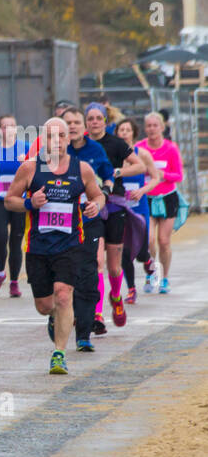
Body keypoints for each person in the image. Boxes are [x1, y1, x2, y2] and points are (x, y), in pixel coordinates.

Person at [3, 117, 105, 375]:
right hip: (38, 247)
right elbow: (9, 200)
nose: (56, 141)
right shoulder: (30, 168)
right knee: (45, 305)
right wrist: (29, 203)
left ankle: (59, 353)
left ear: (68, 139)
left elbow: (99, 196)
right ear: (43, 140)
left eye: (60, 135)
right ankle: (53, 317)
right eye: (50, 136)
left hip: (70, 244)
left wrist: (96, 206)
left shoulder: (81, 169)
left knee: (63, 293)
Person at [84, 102, 159, 326]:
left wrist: (117, 171)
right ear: (86, 121)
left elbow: (139, 167)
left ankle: (116, 297)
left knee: (114, 266)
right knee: (97, 260)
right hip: (91, 208)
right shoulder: (80, 145)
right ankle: (97, 313)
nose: (95, 122)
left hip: (115, 206)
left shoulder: (116, 143)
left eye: (99, 118)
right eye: (91, 118)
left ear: (105, 121)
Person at [60, 105, 112, 350]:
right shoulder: (49, 155)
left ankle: (84, 333)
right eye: (67, 123)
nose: (72, 127)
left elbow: (108, 176)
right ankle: (55, 315)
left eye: (76, 122)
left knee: (88, 277)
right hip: (58, 225)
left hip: (88, 221)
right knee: (60, 277)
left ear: (84, 127)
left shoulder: (95, 150)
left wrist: (103, 195)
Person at [136, 112, 184, 294]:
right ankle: (151, 272)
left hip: (167, 198)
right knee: (148, 240)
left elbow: (178, 175)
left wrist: (162, 175)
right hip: (146, 198)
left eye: (155, 125)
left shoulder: (171, 148)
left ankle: (164, 278)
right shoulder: (139, 148)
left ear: (162, 127)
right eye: (148, 125)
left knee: (164, 241)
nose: (151, 129)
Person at [113, 117, 155, 302]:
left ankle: (147, 260)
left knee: (141, 250)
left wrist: (142, 190)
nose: (123, 133)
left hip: (139, 207)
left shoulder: (142, 154)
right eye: (121, 130)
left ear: (133, 133)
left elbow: (155, 178)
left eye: (127, 130)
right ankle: (131, 289)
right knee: (125, 251)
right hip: (121, 209)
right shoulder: (113, 155)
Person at [0, 114, 29, 298]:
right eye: (4, 127)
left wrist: (26, 162)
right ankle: (0, 273)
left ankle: (14, 282)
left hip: (19, 201)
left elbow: (37, 168)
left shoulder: (25, 148)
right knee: (1, 237)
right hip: (0, 200)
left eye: (12, 126)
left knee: (16, 241)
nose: (8, 130)